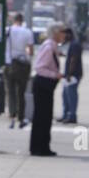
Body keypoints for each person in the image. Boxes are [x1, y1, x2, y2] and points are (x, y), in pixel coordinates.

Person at [29, 23, 63, 156]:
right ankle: (37, 147)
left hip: (47, 85)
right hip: (43, 84)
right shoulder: (49, 47)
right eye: (62, 32)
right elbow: (40, 67)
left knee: (46, 117)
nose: (64, 35)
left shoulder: (53, 46)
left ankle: (44, 146)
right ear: (55, 33)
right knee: (41, 117)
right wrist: (55, 75)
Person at [3, 11, 34, 129]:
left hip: (9, 63)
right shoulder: (27, 32)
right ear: (22, 20)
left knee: (10, 92)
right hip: (22, 65)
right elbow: (30, 51)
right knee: (21, 92)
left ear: (13, 20)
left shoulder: (7, 30)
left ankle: (11, 115)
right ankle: (20, 118)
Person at [58, 26, 83, 124]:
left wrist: (69, 74)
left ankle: (72, 115)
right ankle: (66, 114)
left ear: (69, 34)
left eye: (64, 34)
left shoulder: (75, 44)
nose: (62, 37)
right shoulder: (71, 44)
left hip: (73, 75)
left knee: (71, 96)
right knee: (65, 95)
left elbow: (74, 60)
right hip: (68, 75)